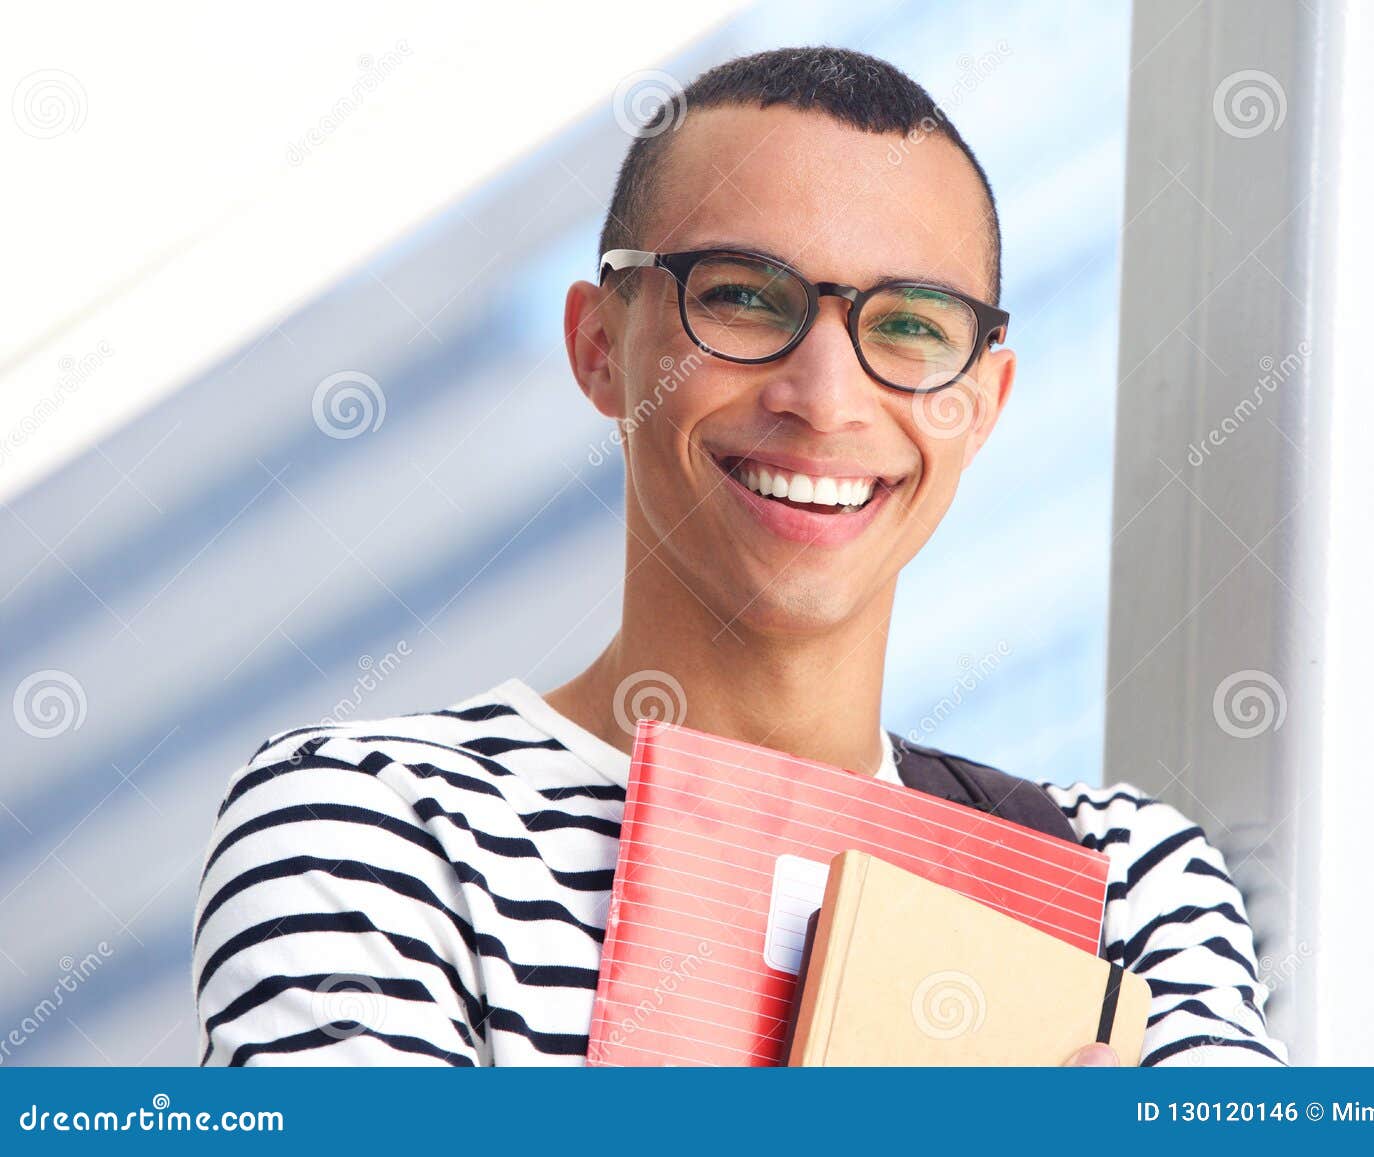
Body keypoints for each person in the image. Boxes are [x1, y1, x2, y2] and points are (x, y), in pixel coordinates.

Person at [193, 45, 1288, 1067]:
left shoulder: (1130, 888)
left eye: (910, 324)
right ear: (598, 347)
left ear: (980, 403)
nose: (823, 399)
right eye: (743, 299)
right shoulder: (376, 824)